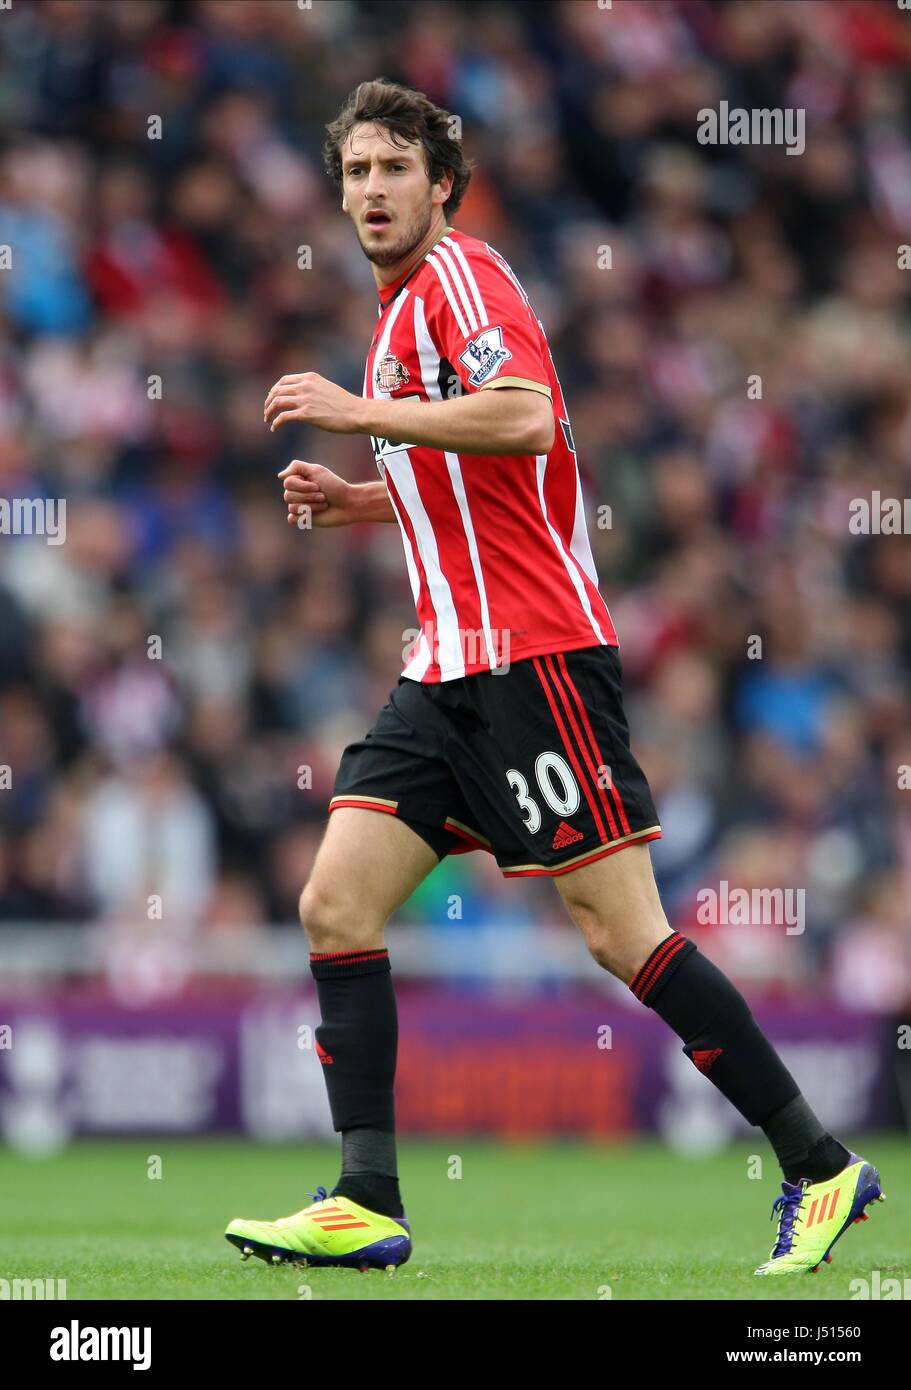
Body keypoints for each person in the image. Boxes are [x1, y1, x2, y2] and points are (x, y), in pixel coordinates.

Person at [225, 79, 884, 1277]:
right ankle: (366, 1195)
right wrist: (365, 496)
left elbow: (527, 419)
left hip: (535, 657)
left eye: (392, 168)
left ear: (440, 184)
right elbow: (483, 488)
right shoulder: (395, 310)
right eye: (355, 170)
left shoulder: (464, 282)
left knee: (619, 931)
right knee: (334, 902)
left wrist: (354, 411)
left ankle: (818, 1163)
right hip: (444, 671)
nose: (370, 189)